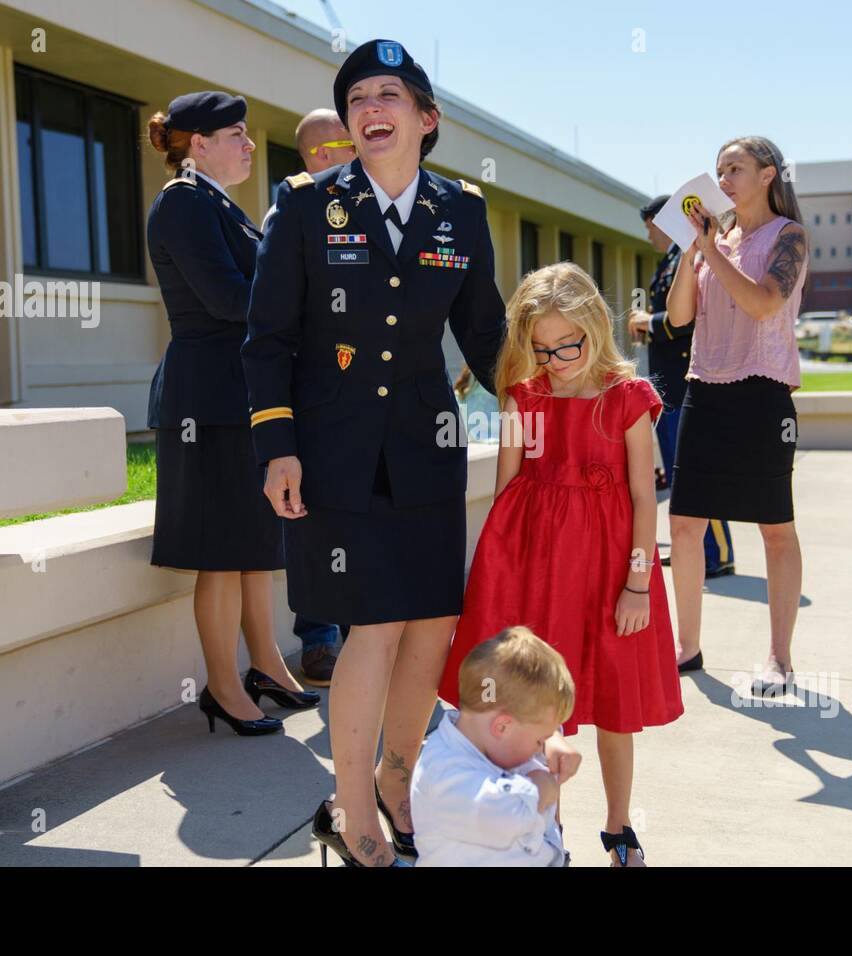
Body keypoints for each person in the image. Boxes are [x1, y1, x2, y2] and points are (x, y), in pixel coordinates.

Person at [242, 40, 507, 866]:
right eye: (356, 97)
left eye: (388, 94)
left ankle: (400, 777)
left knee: (434, 623)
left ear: (426, 120)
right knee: (375, 623)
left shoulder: (459, 213)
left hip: (425, 448)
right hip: (333, 454)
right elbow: (267, 340)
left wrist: (561, 405)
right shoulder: (304, 204)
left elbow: (488, 334)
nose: (369, 108)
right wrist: (277, 447)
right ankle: (352, 809)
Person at [437, 262, 684, 867]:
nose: (556, 358)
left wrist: (637, 584)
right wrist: (498, 584)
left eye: (568, 343)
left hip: (608, 571)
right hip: (538, 568)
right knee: (534, 699)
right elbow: (507, 493)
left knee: (614, 701)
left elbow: (644, 497)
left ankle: (619, 825)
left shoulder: (627, 399)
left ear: (596, 325)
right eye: (542, 349)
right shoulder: (525, 396)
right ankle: (545, 826)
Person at [145, 91, 319, 737]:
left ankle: (267, 666)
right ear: (200, 143)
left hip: (235, 396)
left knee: (251, 546)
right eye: (237, 134)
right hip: (207, 400)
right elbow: (226, 299)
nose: (250, 146)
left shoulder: (218, 205)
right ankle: (222, 686)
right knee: (221, 552)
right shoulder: (184, 202)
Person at [663, 136, 807, 690]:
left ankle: (779, 657)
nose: (723, 179)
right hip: (705, 388)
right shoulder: (713, 240)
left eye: (736, 168)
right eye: (719, 169)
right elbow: (678, 317)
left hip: (762, 393)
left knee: (775, 529)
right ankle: (688, 647)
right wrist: (690, 253)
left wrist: (713, 251)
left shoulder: (788, 236)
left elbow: (764, 302)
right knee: (683, 523)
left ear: (768, 175)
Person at [261, 107, 361, 687]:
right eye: (349, 141)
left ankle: (357, 634)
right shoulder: (296, 208)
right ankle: (319, 640)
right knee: (316, 517)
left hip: (361, 397)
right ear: (324, 152)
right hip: (311, 395)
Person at [628, 195, 735, 583]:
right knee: (681, 477)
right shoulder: (671, 261)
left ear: (664, 221)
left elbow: (687, 319)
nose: (649, 234)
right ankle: (698, 550)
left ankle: (718, 553)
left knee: (698, 474)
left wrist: (649, 322)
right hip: (670, 386)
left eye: (650, 226)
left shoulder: (691, 256)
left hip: (687, 382)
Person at [410, 626, 577, 867]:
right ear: (501, 727)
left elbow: (527, 731)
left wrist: (552, 741)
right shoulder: (444, 771)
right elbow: (503, 815)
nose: (539, 749)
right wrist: (540, 788)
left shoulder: (493, 740)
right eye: (539, 740)